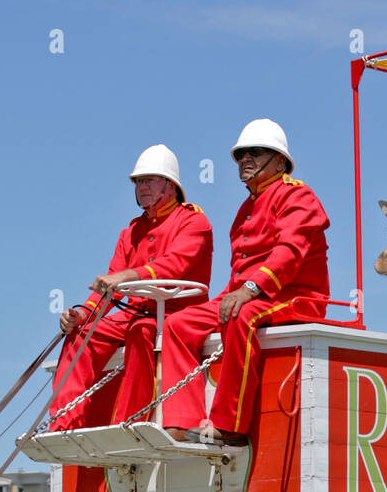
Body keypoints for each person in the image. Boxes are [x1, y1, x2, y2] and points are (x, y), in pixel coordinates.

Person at [154, 120, 329, 444]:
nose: (245, 159)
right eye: (240, 154)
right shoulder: (245, 209)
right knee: (178, 324)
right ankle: (180, 422)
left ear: (279, 161)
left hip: (294, 296)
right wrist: (233, 294)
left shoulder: (298, 195)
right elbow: (238, 272)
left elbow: (289, 253)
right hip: (251, 295)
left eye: (255, 152)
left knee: (239, 315)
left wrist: (248, 290)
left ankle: (230, 426)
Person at [49, 145, 213, 431]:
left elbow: (172, 267)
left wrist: (123, 279)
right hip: (135, 312)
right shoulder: (131, 230)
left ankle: (131, 423)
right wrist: (83, 315)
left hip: (175, 314)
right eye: (139, 182)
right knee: (82, 335)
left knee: (141, 333)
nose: (142, 187)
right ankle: (64, 424)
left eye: (149, 180)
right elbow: (111, 282)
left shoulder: (194, 221)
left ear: (171, 186)